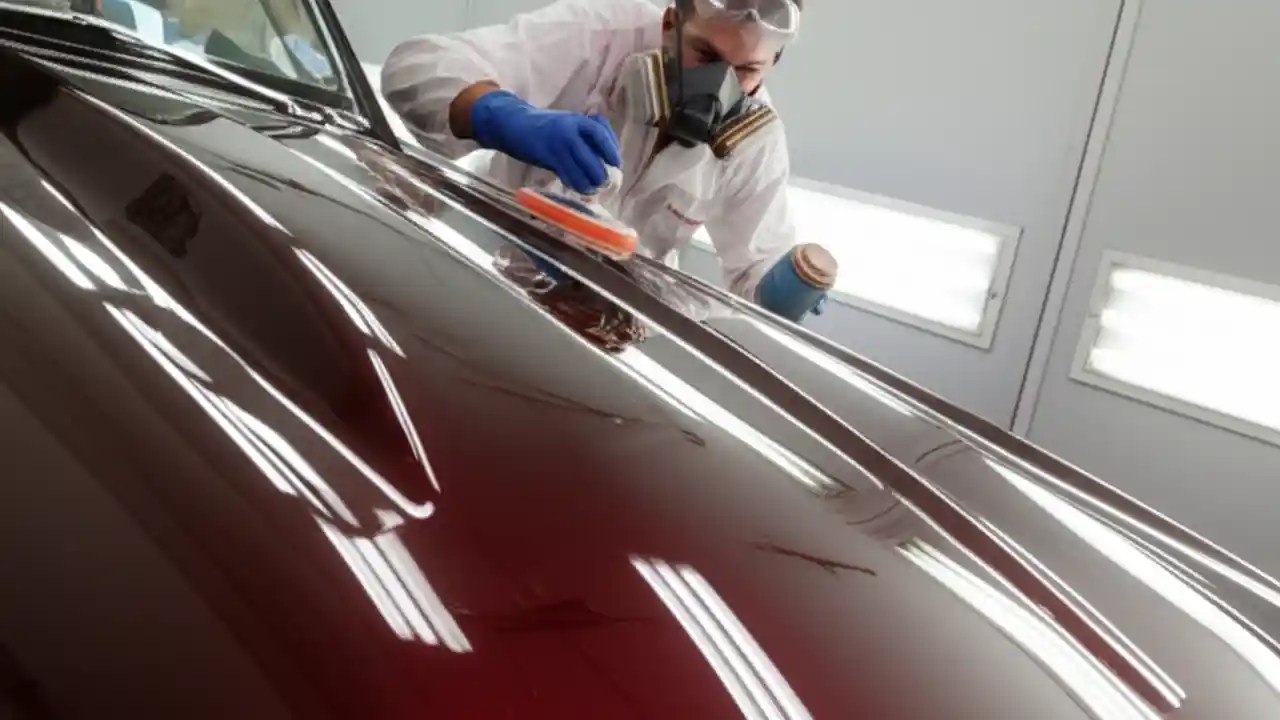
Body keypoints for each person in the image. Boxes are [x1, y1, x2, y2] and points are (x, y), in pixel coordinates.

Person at [382, 0, 836, 321]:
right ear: (670, 24)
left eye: (747, 70)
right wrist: (503, 117)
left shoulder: (754, 140)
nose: (721, 87)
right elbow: (413, 66)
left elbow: (755, 272)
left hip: (608, 328)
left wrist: (786, 286)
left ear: (773, 62)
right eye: (706, 56)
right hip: (481, 276)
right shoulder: (598, 33)